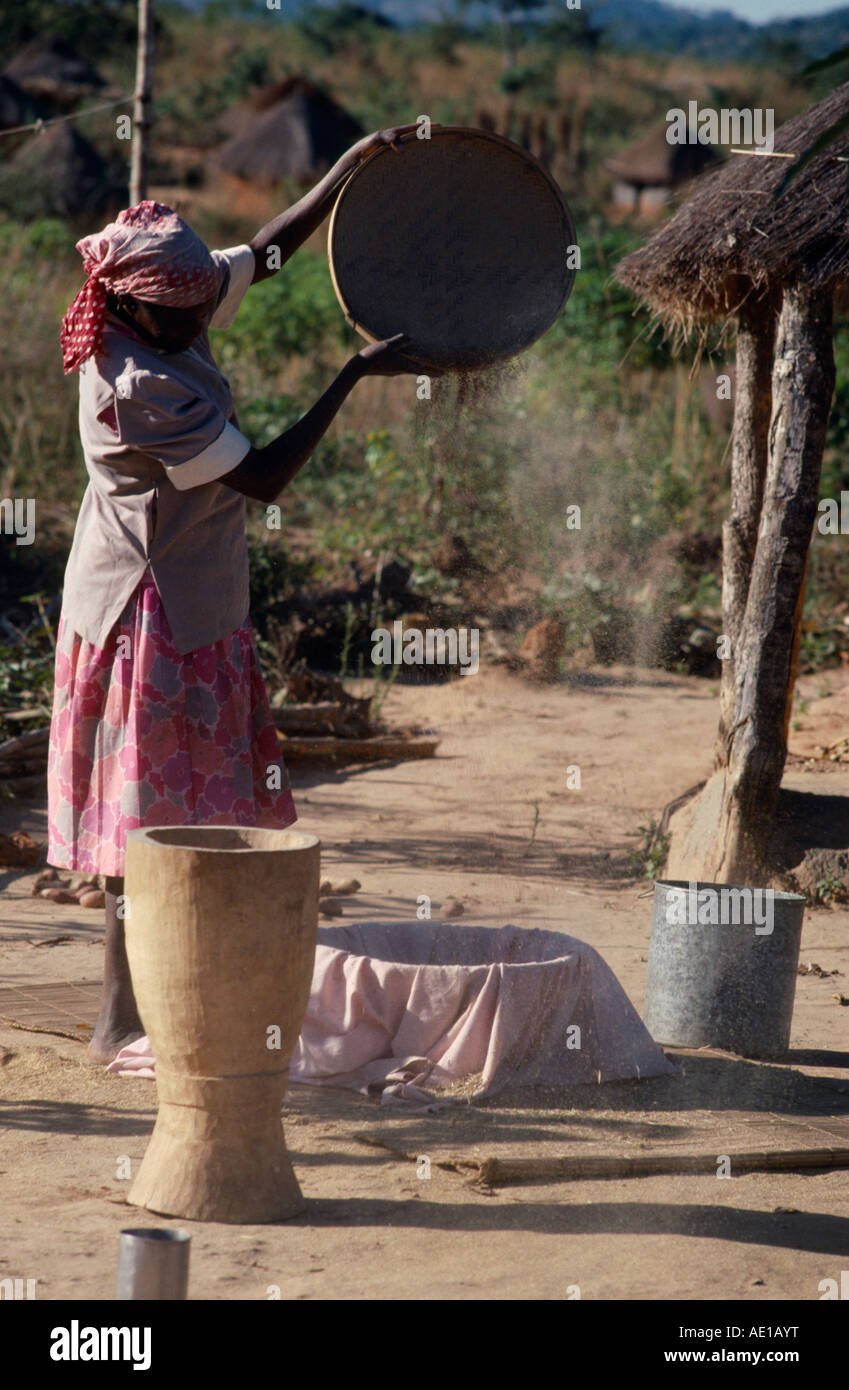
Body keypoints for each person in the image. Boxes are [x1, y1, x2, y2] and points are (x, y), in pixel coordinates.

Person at [49, 126, 421, 1063]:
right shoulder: (136, 385)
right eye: (192, 317)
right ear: (142, 315)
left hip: (192, 601)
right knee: (146, 831)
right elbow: (259, 478)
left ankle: (169, 1000)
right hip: (150, 618)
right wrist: (354, 374)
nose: (208, 319)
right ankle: (118, 1021)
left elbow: (267, 251)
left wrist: (348, 167)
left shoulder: (164, 305)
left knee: (184, 819)